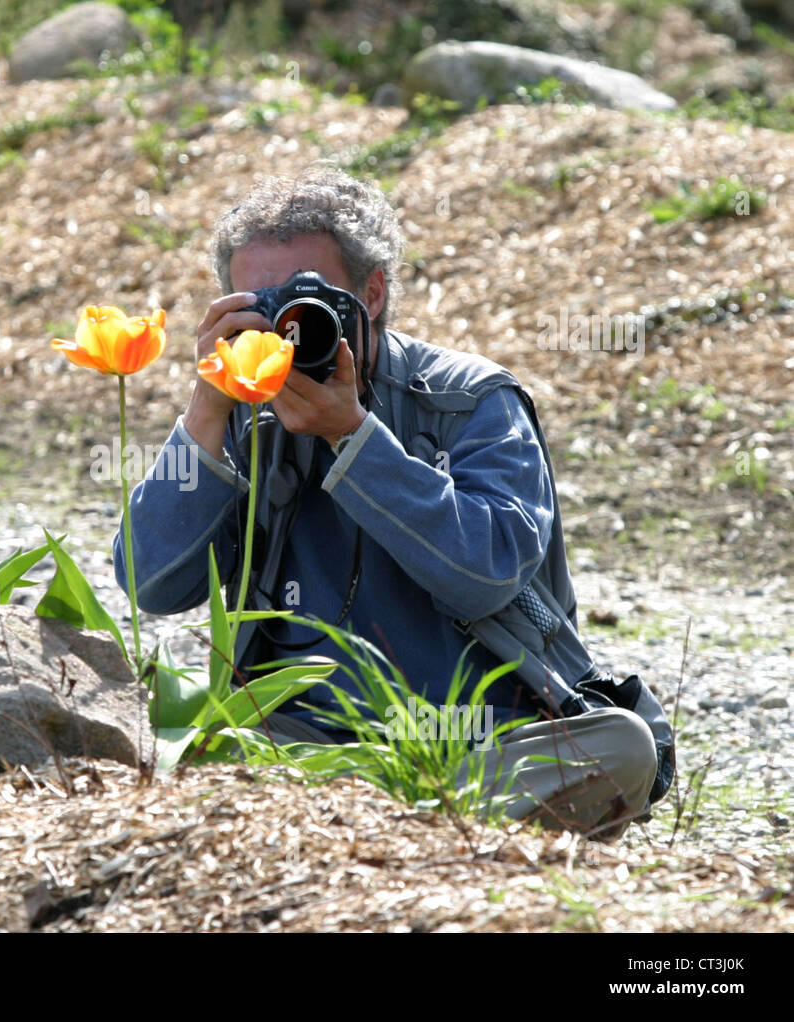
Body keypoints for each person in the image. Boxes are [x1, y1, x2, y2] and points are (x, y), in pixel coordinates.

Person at [112, 165, 663, 841]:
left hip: (477, 742)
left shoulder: (471, 403)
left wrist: (354, 439)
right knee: (170, 743)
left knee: (622, 748)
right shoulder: (242, 412)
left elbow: (485, 574)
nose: (288, 324)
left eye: (308, 296)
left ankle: (374, 823)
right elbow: (153, 585)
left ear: (371, 293)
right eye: (261, 303)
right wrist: (207, 407)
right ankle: (416, 826)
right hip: (303, 745)